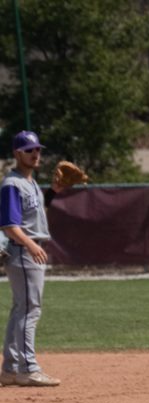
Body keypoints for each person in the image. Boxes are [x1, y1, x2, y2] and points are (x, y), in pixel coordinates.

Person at [1, 130, 62, 387]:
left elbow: (32, 213)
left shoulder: (29, 182)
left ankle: (12, 369)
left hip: (25, 249)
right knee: (30, 309)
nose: (35, 154)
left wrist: (54, 191)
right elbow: (9, 224)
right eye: (29, 150)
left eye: (37, 149)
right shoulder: (12, 184)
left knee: (21, 309)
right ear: (17, 154)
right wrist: (29, 246)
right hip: (23, 250)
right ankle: (28, 368)